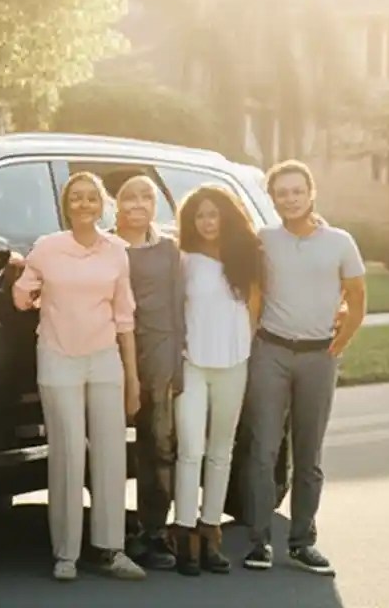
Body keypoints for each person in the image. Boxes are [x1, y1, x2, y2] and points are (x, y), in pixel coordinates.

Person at [13, 170, 145, 582]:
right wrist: (23, 276)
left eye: (91, 198)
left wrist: (133, 378)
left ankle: (110, 549)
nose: (84, 204)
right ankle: (66, 554)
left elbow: (125, 317)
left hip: (105, 357)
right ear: (66, 205)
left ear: (101, 204)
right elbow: (22, 298)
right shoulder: (47, 248)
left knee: (111, 452)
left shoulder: (117, 251)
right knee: (68, 452)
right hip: (58, 357)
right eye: (76, 198)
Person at [243, 159, 367, 576]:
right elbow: (252, 291)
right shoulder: (264, 240)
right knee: (263, 449)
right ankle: (259, 541)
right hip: (271, 352)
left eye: (297, 191)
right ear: (272, 199)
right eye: (282, 193)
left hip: (319, 356)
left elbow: (357, 298)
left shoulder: (340, 242)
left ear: (311, 193)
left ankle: (302, 542)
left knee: (308, 453)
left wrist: (339, 344)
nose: (290, 199)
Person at [170, 184, 263, 576]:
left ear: (227, 216)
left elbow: (255, 309)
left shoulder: (248, 257)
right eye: (200, 216)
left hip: (234, 363)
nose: (207, 222)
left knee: (221, 451)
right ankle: (184, 532)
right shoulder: (182, 260)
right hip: (192, 363)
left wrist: (241, 346)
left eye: (213, 213)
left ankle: (211, 532)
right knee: (191, 449)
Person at [109, 174, 182, 571]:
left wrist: (177, 364)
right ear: (116, 204)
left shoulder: (169, 250)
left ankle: (153, 531)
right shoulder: (104, 246)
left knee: (157, 443)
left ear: (155, 206)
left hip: (159, 351)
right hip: (110, 350)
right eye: (129, 197)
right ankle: (108, 530)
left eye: (146, 197)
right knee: (106, 442)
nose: (137, 204)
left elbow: (178, 306)